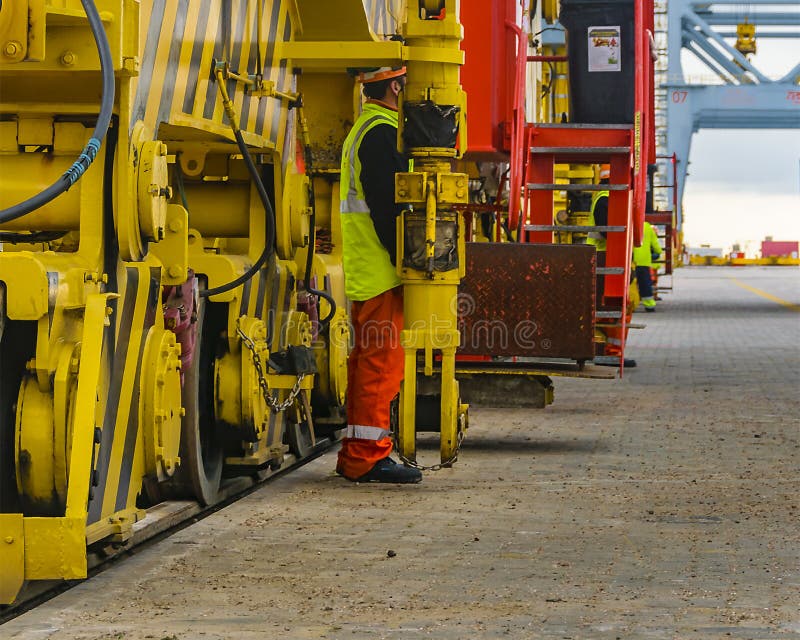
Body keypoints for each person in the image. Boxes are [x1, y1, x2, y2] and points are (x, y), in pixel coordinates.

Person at [335, 66, 422, 484]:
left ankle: (357, 453)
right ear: (395, 85)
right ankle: (367, 456)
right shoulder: (382, 133)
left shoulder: (367, 128)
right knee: (380, 366)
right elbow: (390, 212)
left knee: (366, 363)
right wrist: (411, 262)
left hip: (369, 269)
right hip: (382, 270)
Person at [632, 221, 662, 312]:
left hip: (631, 260)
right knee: (645, 284)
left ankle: (630, 305)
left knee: (631, 283)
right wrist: (657, 252)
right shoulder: (647, 227)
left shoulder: (629, 224)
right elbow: (656, 246)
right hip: (644, 261)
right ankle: (649, 306)